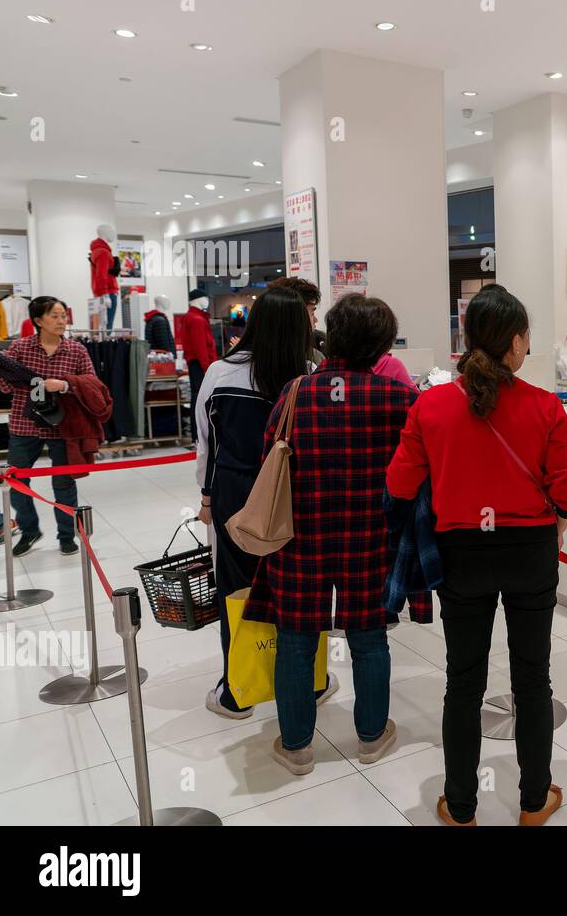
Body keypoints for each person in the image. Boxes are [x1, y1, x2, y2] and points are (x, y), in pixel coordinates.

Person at [387, 284, 567, 826]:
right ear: (517, 343)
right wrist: (557, 526)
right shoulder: (545, 407)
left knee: (463, 679)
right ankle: (532, 801)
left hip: (461, 554)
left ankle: (461, 805)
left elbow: (399, 485)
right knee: (533, 679)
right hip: (530, 552)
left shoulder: (430, 404)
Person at [248, 294, 419, 776]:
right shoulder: (402, 400)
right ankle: (370, 737)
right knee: (369, 639)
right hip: (371, 538)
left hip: (300, 536)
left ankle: (298, 745)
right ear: (383, 345)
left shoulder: (295, 392)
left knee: (297, 640)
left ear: (332, 336)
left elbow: (269, 458)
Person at [195, 286, 325, 719]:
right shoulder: (309, 376)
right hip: (298, 495)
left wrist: (207, 499)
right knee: (300, 590)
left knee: (237, 590)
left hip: (237, 497)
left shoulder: (220, 373)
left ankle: (238, 689)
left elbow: (206, 446)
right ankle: (312, 680)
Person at [2, 297, 98, 556]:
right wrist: (1, 372)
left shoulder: (77, 350)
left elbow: (92, 382)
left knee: (64, 483)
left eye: (63, 316)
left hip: (62, 426)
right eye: (54, 316)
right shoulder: (20, 348)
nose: (61, 321)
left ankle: (67, 535)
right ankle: (29, 530)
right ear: (38, 320)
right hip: (24, 425)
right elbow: (4, 387)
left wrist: (64, 384)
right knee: (16, 481)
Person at [181, 288, 218, 442]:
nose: (207, 301)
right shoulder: (197, 320)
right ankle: (199, 435)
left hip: (196, 363)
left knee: (198, 398)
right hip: (201, 364)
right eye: (205, 298)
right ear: (198, 300)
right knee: (201, 399)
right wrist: (209, 369)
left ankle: (198, 435)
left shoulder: (191, 318)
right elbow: (201, 348)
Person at [266, 276, 325, 363]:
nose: (316, 320)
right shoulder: (314, 359)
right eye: (312, 314)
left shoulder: (315, 356)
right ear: (294, 316)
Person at [89, 225, 119, 330]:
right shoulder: (103, 252)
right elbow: (101, 275)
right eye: (111, 231)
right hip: (108, 292)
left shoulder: (96, 251)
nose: (114, 234)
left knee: (101, 325)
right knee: (107, 326)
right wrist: (106, 295)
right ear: (105, 233)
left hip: (101, 292)